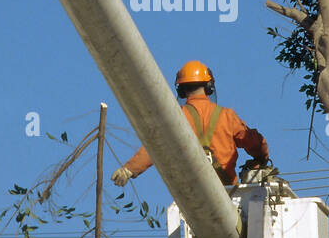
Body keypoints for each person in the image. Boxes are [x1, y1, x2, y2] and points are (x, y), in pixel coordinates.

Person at [110, 60, 271, 188]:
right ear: (209, 87)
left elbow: (154, 147)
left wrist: (129, 169)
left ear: (181, 90)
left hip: (192, 195)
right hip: (227, 194)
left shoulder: (175, 118)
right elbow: (255, 141)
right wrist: (260, 158)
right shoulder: (226, 116)